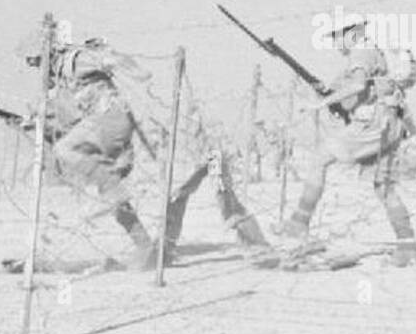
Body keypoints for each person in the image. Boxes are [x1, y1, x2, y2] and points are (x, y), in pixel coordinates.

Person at [25, 33, 266, 271]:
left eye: (37, 62)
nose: (38, 70)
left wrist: (133, 71)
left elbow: (115, 64)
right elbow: (74, 125)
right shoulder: (70, 80)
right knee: (176, 196)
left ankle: (252, 244)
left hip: (157, 135)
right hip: (155, 139)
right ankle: (156, 251)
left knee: (185, 188)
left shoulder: (75, 61)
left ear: (48, 55)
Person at [278, 15, 416, 265]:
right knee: (383, 187)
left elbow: (357, 87)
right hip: (389, 124)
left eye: (336, 37)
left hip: (374, 125)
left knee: (321, 156)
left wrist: (321, 102)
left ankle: (299, 223)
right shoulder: (371, 51)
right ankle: (408, 247)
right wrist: (332, 93)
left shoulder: (360, 52)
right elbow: (364, 89)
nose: (335, 44)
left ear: (350, 33)